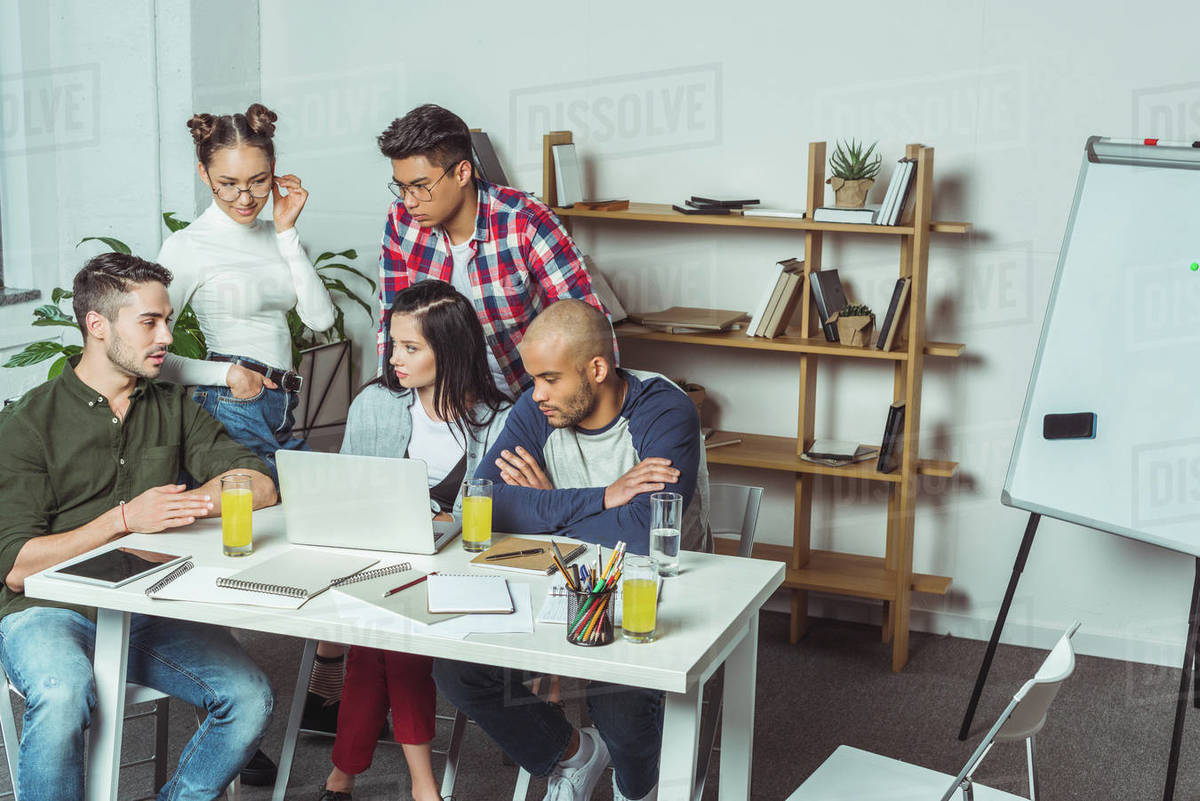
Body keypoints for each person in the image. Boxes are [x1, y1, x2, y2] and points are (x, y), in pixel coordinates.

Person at [0, 253, 277, 801]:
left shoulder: (172, 404)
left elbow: (259, 483)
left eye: (167, 319)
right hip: (48, 611)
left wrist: (190, 502)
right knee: (61, 694)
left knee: (249, 698)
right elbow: (16, 567)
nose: (167, 336)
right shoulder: (28, 422)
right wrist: (123, 521)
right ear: (96, 325)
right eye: (149, 322)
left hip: (146, 604)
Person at [433, 299, 711, 801]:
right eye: (533, 378)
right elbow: (485, 502)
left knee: (617, 697)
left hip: (651, 587)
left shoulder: (664, 409)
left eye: (549, 378)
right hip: (553, 578)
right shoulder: (540, 407)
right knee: (456, 666)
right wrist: (606, 497)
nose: (535, 393)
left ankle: (637, 791)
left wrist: (543, 505)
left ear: (597, 369)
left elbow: (648, 527)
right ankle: (576, 755)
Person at [317, 280, 511, 801]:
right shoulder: (376, 405)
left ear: (449, 350)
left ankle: (346, 777)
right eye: (394, 345)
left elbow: (507, 518)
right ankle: (420, 788)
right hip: (380, 568)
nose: (395, 359)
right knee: (385, 639)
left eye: (411, 348)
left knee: (383, 639)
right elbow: (347, 494)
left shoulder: (501, 422)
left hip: (463, 578)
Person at [377, 103, 612, 396]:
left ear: (463, 173)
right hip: (441, 397)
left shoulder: (525, 221)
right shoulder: (400, 220)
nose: (409, 201)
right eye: (401, 188)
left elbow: (587, 325)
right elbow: (392, 317)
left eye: (420, 186)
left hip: (525, 395)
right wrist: (390, 397)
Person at [156, 102, 336, 482]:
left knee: (304, 508)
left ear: (273, 169)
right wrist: (230, 376)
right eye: (228, 184)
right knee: (264, 512)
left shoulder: (277, 234)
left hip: (282, 404)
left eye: (257, 181)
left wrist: (287, 231)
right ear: (203, 174)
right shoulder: (188, 245)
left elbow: (320, 319)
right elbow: (150, 356)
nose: (245, 198)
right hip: (231, 402)